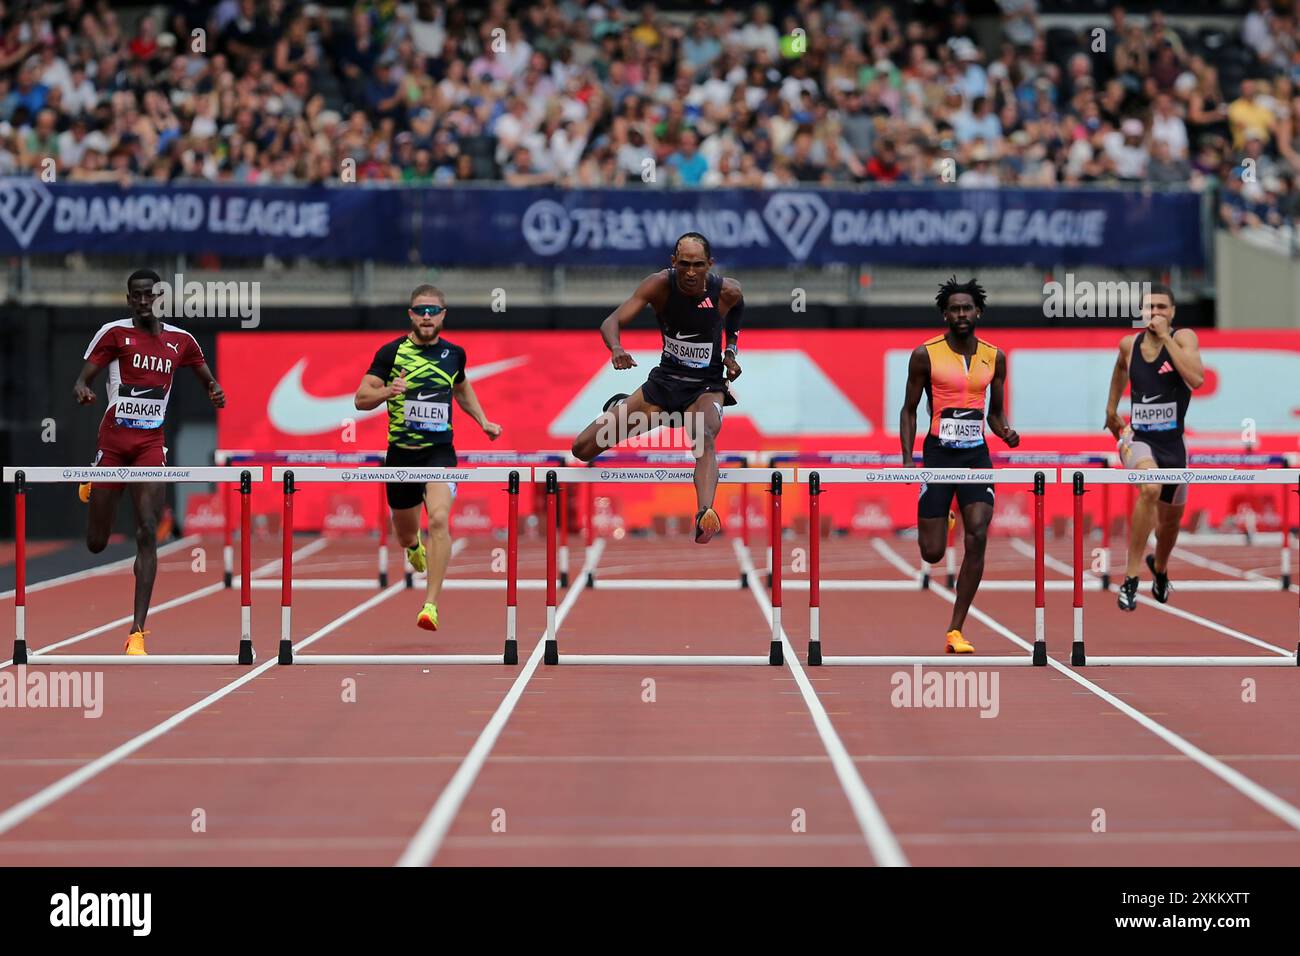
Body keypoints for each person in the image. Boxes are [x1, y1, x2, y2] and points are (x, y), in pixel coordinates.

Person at [73, 268, 225, 656]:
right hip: (113, 444)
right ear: (129, 300)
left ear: (159, 298)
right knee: (96, 543)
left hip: (149, 446)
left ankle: (137, 631)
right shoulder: (114, 334)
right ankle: (95, 483)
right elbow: (84, 378)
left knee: (147, 529)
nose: (143, 301)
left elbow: (204, 375)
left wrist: (213, 388)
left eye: (149, 295)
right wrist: (83, 389)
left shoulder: (181, 341)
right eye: (135, 296)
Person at [569, 232, 743, 543]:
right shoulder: (659, 285)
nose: (691, 272)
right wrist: (616, 348)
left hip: (706, 388)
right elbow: (611, 321)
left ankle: (705, 515)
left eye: (698, 265)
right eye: (685, 264)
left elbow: (737, 314)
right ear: (673, 262)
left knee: (702, 436)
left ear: (710, 264)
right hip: (663, 385)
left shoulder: (726, 291)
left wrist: (730, 352)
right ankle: (642, 414)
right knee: (582, 449)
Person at [354, 285, 502, 631]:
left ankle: (430, 605)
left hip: (439, 454)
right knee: (406, 534)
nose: (426, 316)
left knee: (438, 519)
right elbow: (360, 398)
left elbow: (462, 389)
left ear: (443, 315)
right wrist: (387, 392)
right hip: (401, 456)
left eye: (433, 311)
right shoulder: (391, 353)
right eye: (420, 310)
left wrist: (483, 421)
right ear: (410, 314)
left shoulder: (455, 355)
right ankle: (412, 546)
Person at [900, 277, 1020, 654]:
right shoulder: (925, 355)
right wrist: (907, 460)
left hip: (975, 456)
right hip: (938, 453)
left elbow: (995, 414)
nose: (962, 314)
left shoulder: (994, 357)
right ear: (945, 314)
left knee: (979, 534)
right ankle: (945, 515)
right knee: (931, 553)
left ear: (978, 312)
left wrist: (1005, 432)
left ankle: (956, 628)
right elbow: (909, 410)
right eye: (955, 309)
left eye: (967, 308)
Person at [1104, 283, 1204, 611]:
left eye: (1162, 307)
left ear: (1172, 313)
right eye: (1150, 308)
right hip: (1139, 439)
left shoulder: (1183, 339)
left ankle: (1159, 569)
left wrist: (1165, 340)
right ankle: (1130, 578)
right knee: (1150, 487)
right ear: (1141, 313)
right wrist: (1110, 410)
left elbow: (1196, 378)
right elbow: (1120, 369)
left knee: (1170, 524)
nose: (1156, 313)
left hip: (1173, 445)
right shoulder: (1128, 345)